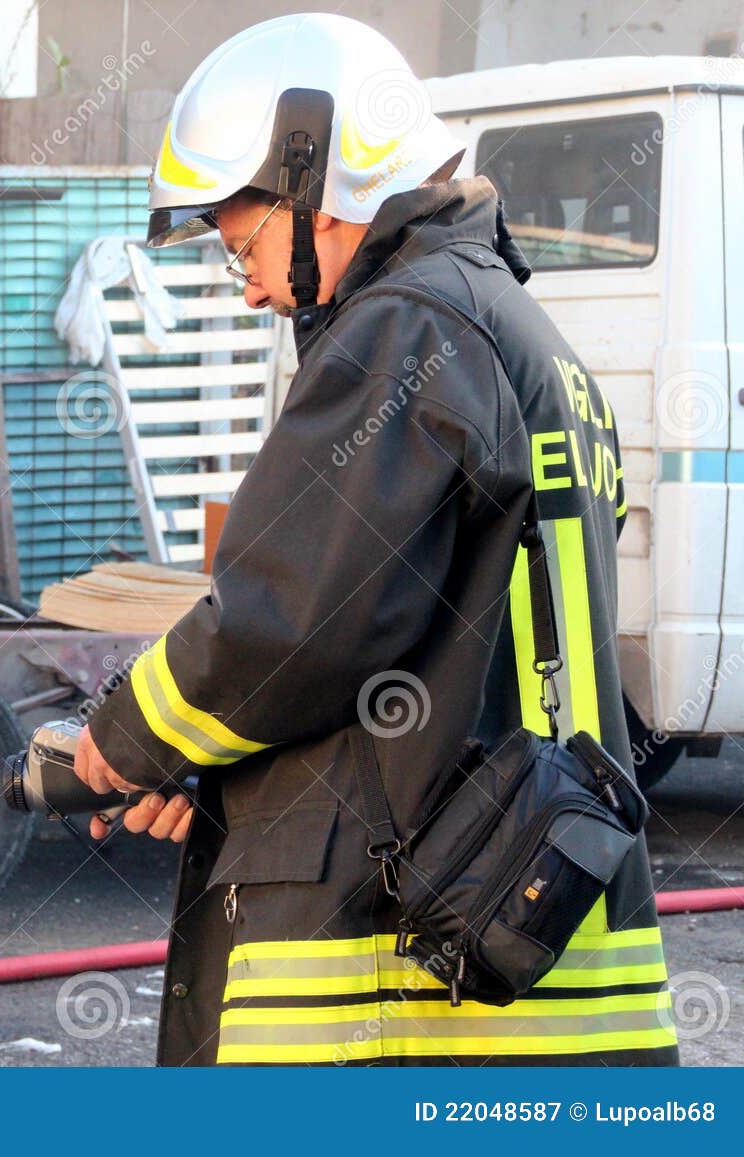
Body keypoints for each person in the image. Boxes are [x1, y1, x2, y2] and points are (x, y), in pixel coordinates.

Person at [75, 12, 680, 1067]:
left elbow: (296, 620)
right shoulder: (520, 332)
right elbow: (430, 638)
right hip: (526, 919)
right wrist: (211, 772)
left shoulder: (408, 329)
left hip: (395, 983)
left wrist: (127, 738)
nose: (252, 286)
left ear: (321, 180)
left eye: (244, 246)